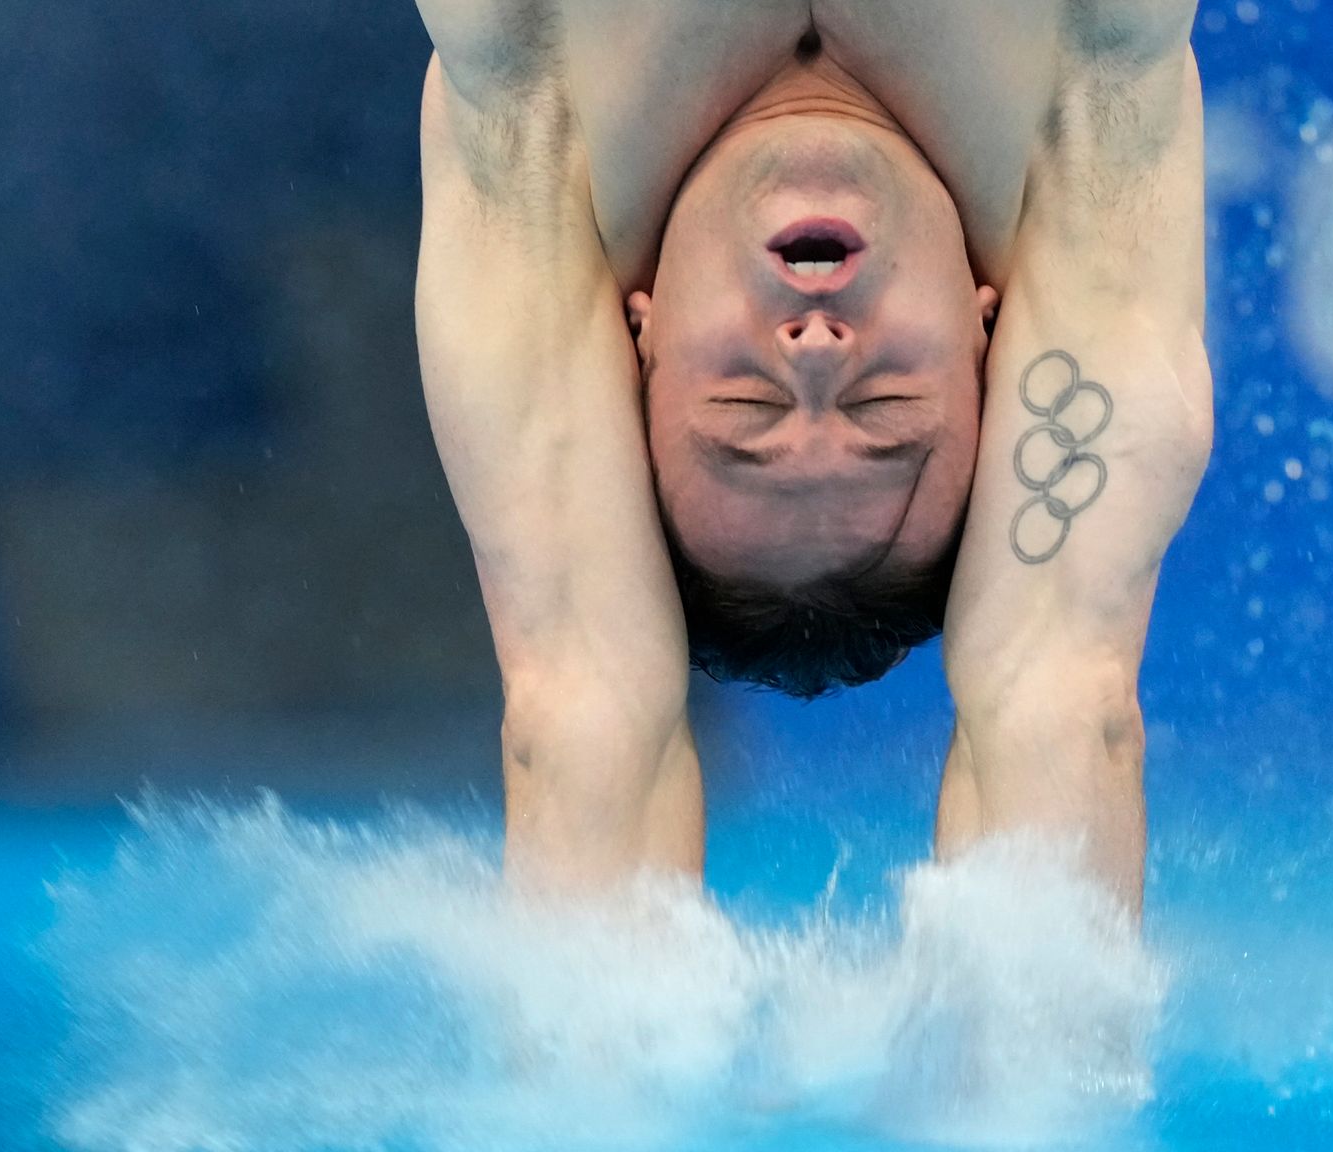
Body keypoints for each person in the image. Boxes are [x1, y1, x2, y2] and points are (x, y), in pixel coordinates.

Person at [412, 0, 1212, 905]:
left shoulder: (531, 68)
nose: (818, 351)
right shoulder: (1084, 70)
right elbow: (1059, 699)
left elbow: (583, 710)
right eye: (887, 407)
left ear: (640, 340)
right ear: (991, 340)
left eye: (747, 406)